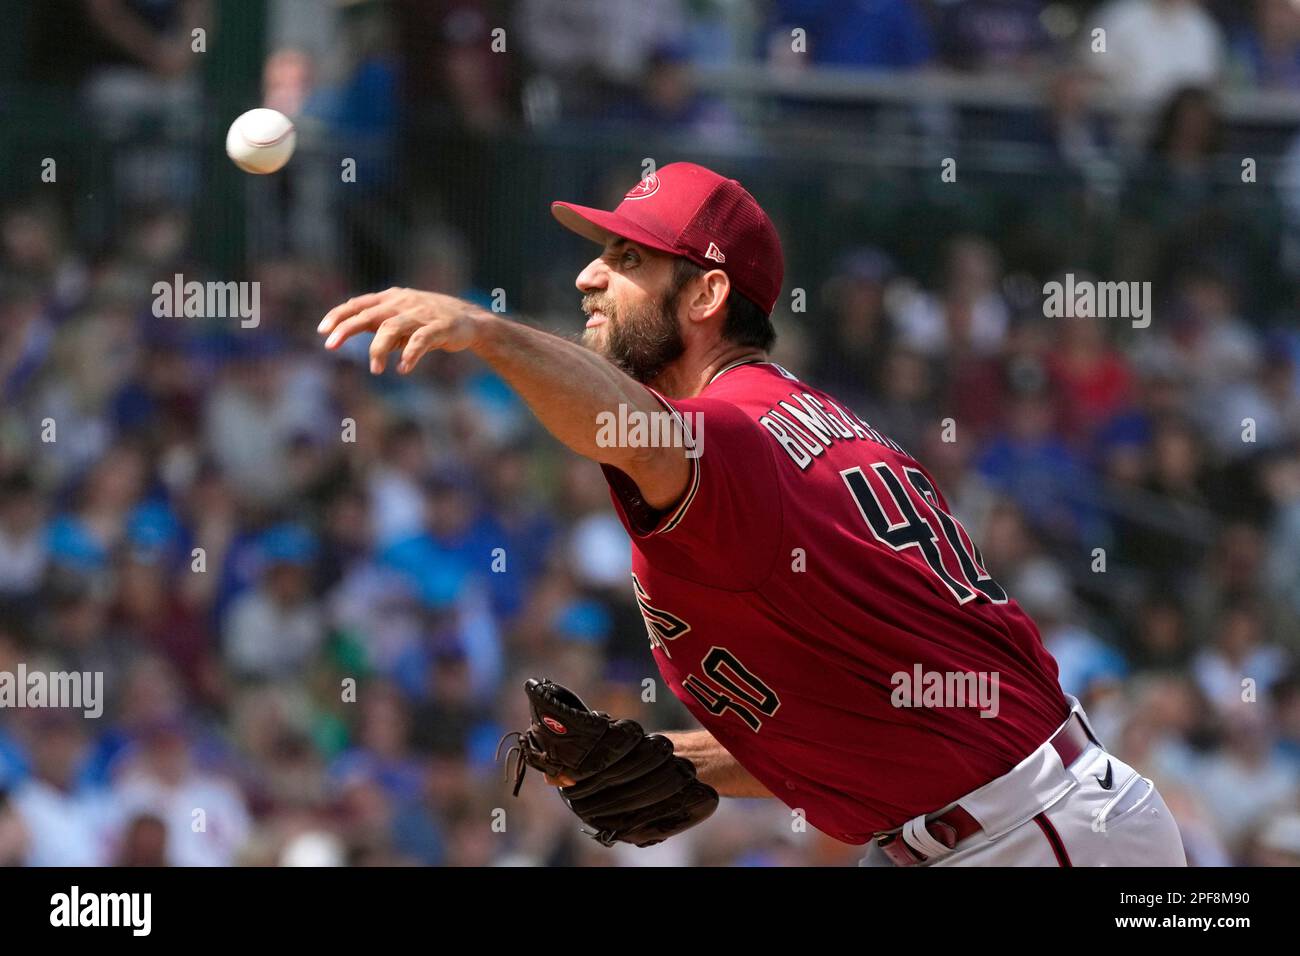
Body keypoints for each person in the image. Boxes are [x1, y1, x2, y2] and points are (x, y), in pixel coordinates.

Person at [317, 161, 1187, 866]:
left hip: (1036, 835)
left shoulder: (730, 429)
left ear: (704, 298)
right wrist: (694, 762)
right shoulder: (789, 427)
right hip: (1021, 822)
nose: (588, 274)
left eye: (627, 260)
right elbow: (885, 707)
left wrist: (490, 334)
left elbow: (634, 432)